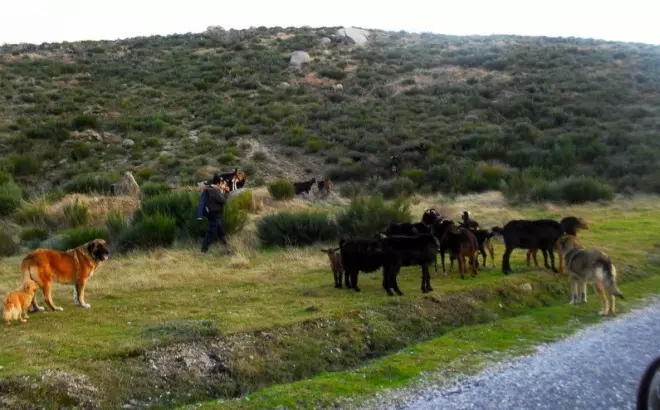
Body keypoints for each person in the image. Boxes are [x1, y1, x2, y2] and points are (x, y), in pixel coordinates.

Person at [200, 173, 230, 253]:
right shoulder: (214, 191)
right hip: (214, 214)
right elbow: (223, 201)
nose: (223, 184)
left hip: (212, 213)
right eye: (222, 183)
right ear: (218, 183)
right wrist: (227, 192)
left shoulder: (211, 189)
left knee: (220, 231)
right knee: (211, 232)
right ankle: (203, 250)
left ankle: (226, 247)